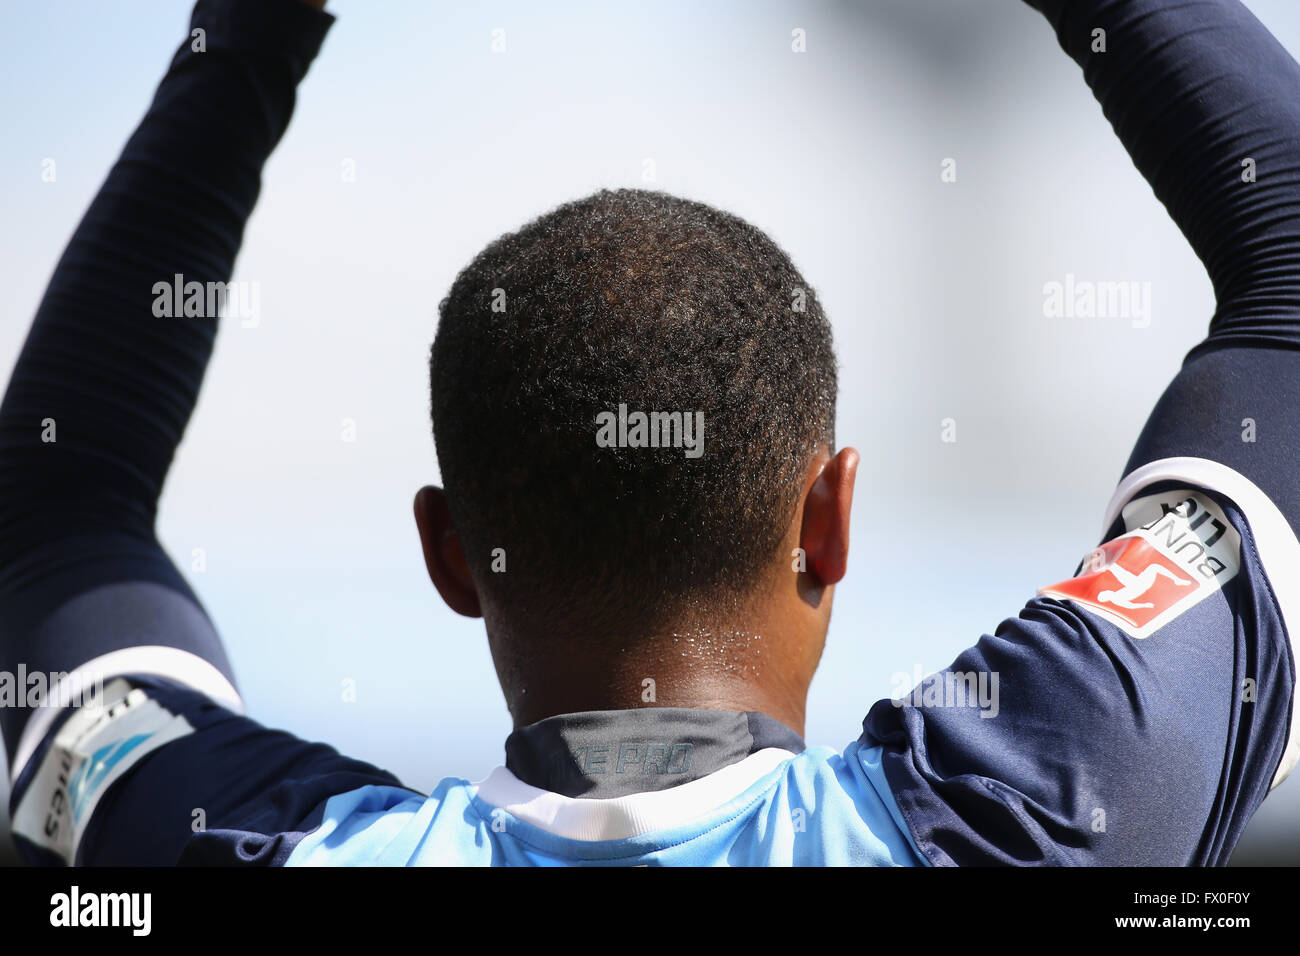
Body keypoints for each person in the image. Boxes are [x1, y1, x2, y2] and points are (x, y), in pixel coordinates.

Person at [1, 0, 1295, 866]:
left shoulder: (267, 851)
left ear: (451, 555)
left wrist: (250, 35)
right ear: (832, 520)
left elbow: (57, 519)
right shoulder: (1038, 809)